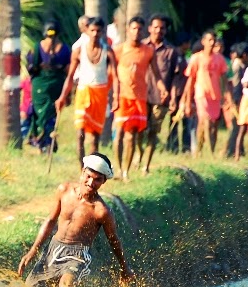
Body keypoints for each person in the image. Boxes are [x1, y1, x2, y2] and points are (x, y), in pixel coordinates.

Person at [18, 153, 134, 287]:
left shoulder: (101, 211)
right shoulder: (64, 190)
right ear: (82, 172)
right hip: (53, 251)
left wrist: (124, 268)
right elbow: (51, 220)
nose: (91, 183)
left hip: (78, 255)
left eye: (97, 179)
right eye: (89, 176)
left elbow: (114, 241)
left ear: (104, 182)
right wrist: (33, 250)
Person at [56, 17, 118, 165]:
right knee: (80, 134)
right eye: (92, 30)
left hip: (100, 94)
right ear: (87, 31)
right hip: (83, 92)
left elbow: (115, 77)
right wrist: (62, 97)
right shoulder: (78, 50)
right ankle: (81, 169)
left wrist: (116, 97)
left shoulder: (108, 52)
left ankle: (92, 168)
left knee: (95, 137)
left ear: (103, 32)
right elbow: (70, 76)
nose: (95, 33)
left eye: (98, 31)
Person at [112, 16, 167, 181]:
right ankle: (117, 168)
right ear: (128, 30)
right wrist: (113, 94)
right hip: (123, 96)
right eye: (133, 28)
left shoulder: (148, 51)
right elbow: (112, 74)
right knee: (120, 132)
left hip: (139, 98)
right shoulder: (119, 50)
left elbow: (156, 74)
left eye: (139, 29)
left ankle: (125, 173)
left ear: (143, 31)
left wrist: (163, 89)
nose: (136, 32)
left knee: (132, 136)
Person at [138, 14, 179, 173]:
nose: (158, 31)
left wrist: (173, 97)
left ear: (165, 31)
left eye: (162, 28)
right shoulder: (141, 47)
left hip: (160, 98)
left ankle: (146, 165)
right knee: (139, 130)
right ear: (149, 28)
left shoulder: (171, 51)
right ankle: (139, 155)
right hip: (141, 96)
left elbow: (175, 77)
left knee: (153, 132)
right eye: (155, 27)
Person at [180, 30, 229, 157]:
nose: (212, 43)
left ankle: (199, 150)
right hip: (201, 94)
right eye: (209, 40)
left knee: (210, 124)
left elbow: (224, 78)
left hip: (215, 96)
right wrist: (186, 100)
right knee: (205, 120)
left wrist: (225, 96)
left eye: (213, 40)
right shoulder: (196, 58)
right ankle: (210, 153)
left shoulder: (220, 59)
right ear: (203, 42)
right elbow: (191, 80)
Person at [26, 20, 70, 152]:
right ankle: (39, 143)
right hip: (40, 87)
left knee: (51, 114)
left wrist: (68, 93)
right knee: (39, 114)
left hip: (56, 87)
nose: (51, 39)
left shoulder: (64, 50)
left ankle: (48, 143)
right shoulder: (36, 48)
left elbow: (68, 70)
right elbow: (30, 67)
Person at [224, 42, 248, 158]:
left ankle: (238, 150)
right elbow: (235, 85)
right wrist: (235, 101)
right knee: (236, 126)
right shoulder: (237, 66)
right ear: (244, 55)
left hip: (239, 99)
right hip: (237, 100)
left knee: (238, 126)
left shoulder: (240, 65)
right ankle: (231, 151)